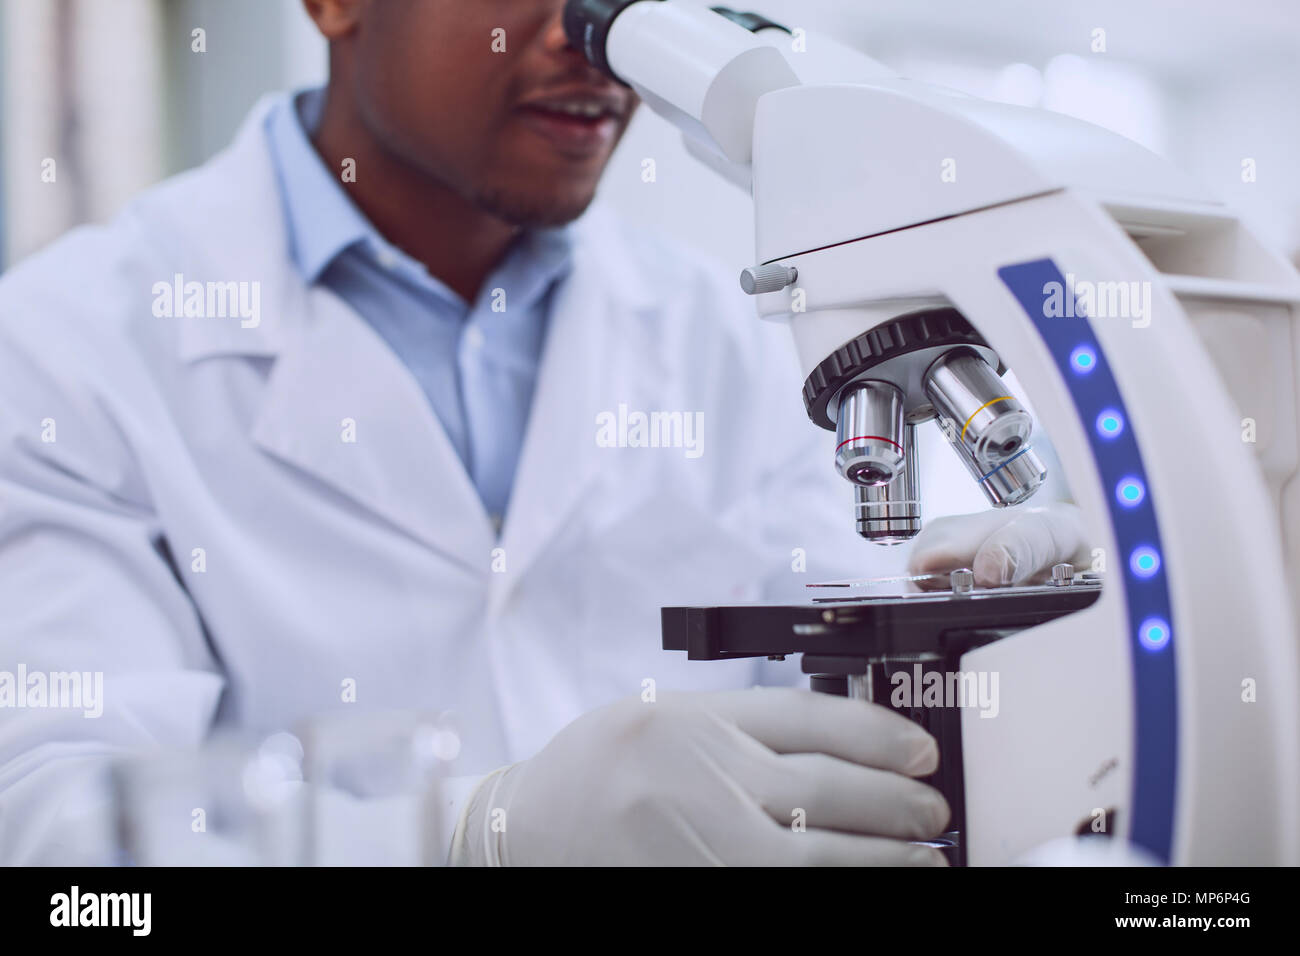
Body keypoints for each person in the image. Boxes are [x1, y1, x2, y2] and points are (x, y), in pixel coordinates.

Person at [0, 0, 1087, 866]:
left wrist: (1024, 635)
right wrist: (466, 838)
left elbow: (841, 687)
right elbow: (63, 843)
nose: (593, 37)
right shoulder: (65, 346)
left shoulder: (715, 330)